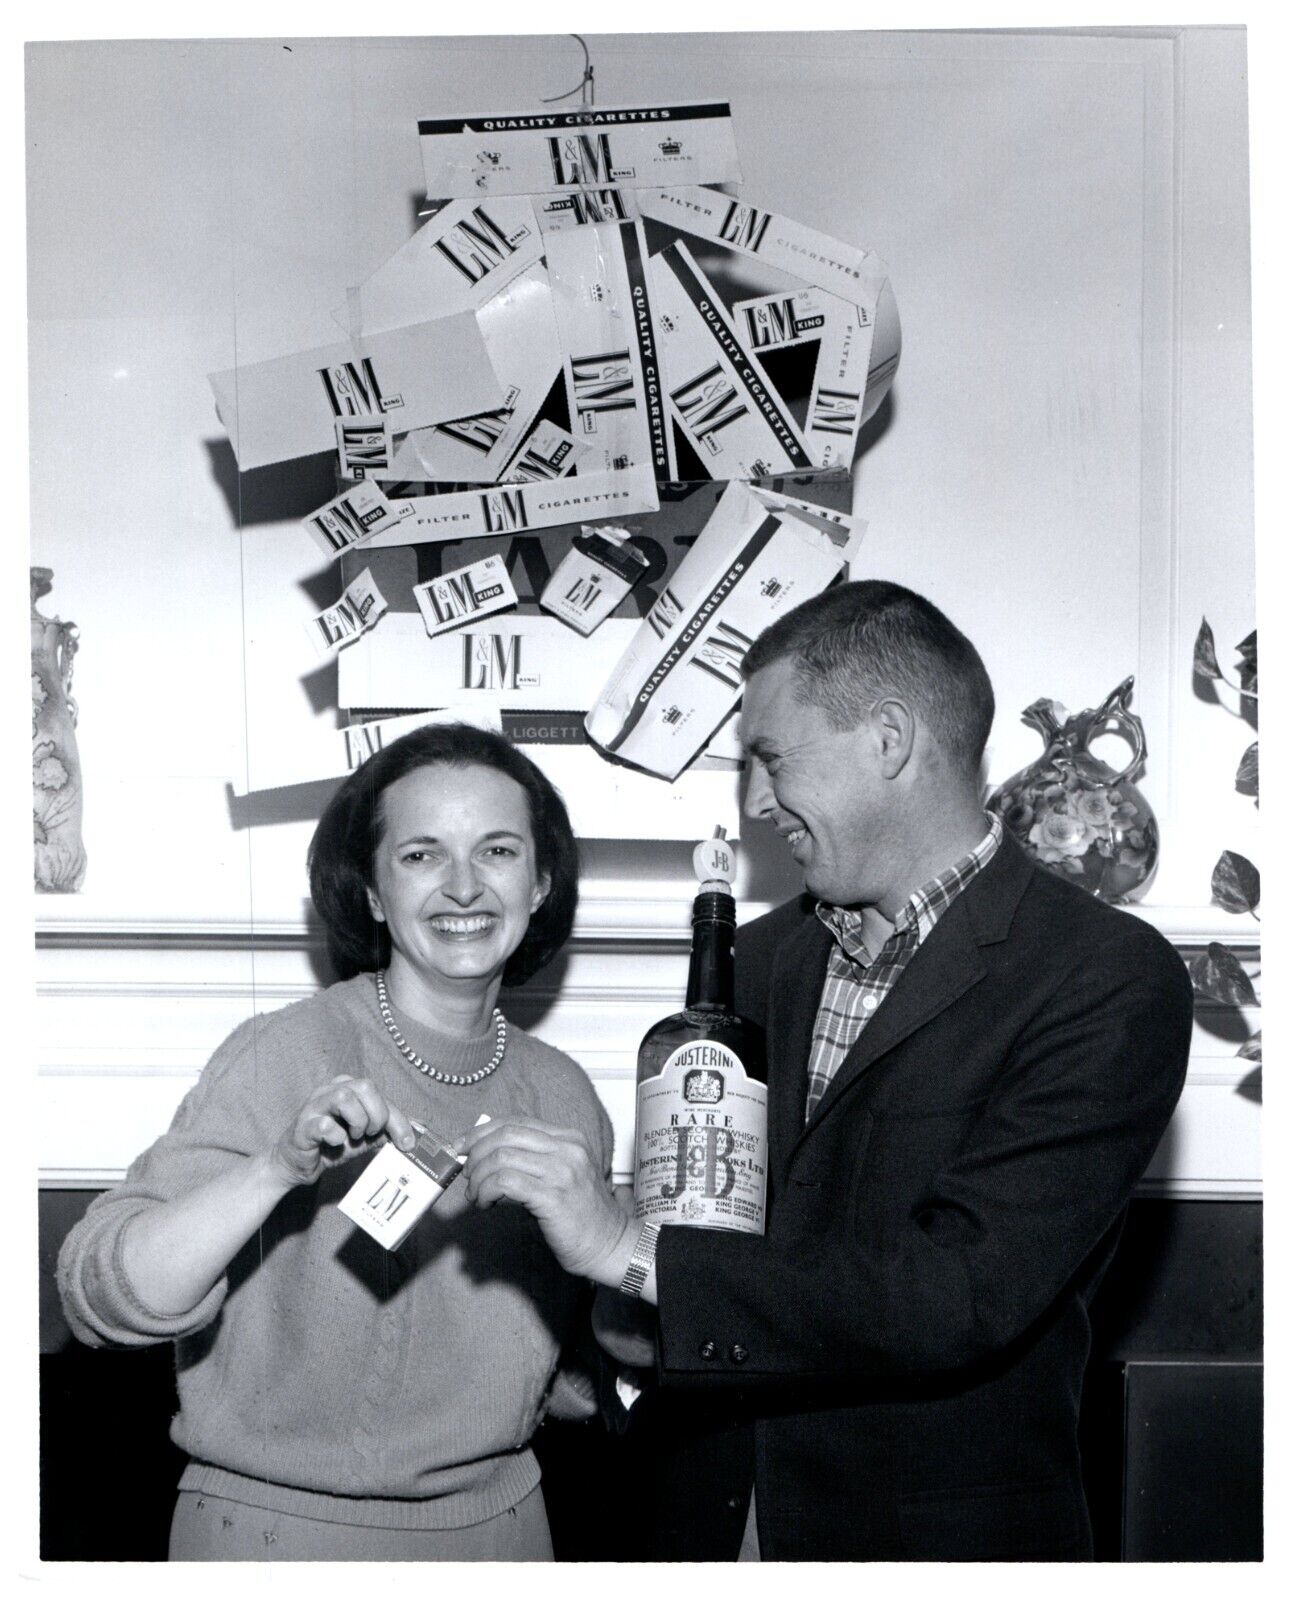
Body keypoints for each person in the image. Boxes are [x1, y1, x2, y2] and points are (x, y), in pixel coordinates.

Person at [461, 581, 1194, 1562]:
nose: (755, 803)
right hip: (702, 1528)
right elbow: (718, 1246)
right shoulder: (754, 964)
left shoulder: (1103, 976)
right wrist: (617, 1334)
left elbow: (959, 1292)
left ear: (886, 739)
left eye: (769, 760)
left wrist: (628, 1250)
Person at [57, 723, 612, 1561]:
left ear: (539, 883)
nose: (464, 887)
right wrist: (276, 1169)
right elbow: (100, 1299)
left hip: (507, 1533)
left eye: (497, 851)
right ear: (371, 893)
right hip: (276, 1538)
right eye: (422, 855)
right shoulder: (284, 1053)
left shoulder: (566, 1093)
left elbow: (574, 1364)